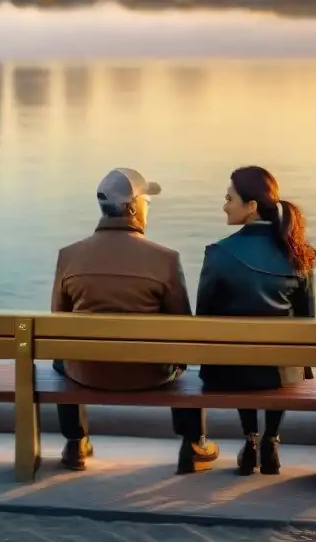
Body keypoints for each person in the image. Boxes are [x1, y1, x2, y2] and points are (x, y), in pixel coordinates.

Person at [51, 167, 219, 475]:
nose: (148, 208)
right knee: (182, 359)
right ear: (133, 206)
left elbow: (58, 322)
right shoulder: (165, 259)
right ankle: (193, 444)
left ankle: (76, 442)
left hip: (86, 372)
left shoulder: (68, 255)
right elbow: (183, 328)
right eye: (147, 202)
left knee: (63, 354)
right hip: (148, 374)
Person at [195, 166, 316, 477]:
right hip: (284, 373)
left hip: (232, 372)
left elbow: (203, 319)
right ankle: (271, 441)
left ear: (251, 207)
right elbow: (308, 320)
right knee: (282, 353)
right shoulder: (298, 254)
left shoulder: (219, 253)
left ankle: (250, 440)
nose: (224, 205)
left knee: (240, 351)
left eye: (228, 198)